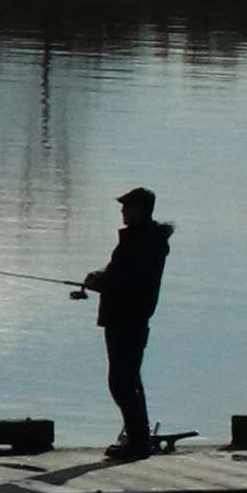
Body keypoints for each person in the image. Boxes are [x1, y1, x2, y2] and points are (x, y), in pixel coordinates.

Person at [72, 185, 170, 457]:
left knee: (121, 382)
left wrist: (97, 282)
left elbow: (125, 280)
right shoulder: (143, 240)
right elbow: (118, 273)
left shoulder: (141, 242)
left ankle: (138, 443)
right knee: (129, 379)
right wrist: (98, 277)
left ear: (140, 210)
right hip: (128, 317)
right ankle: (138, 437)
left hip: (127, 318)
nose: (122, 211)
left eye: (127, 206)